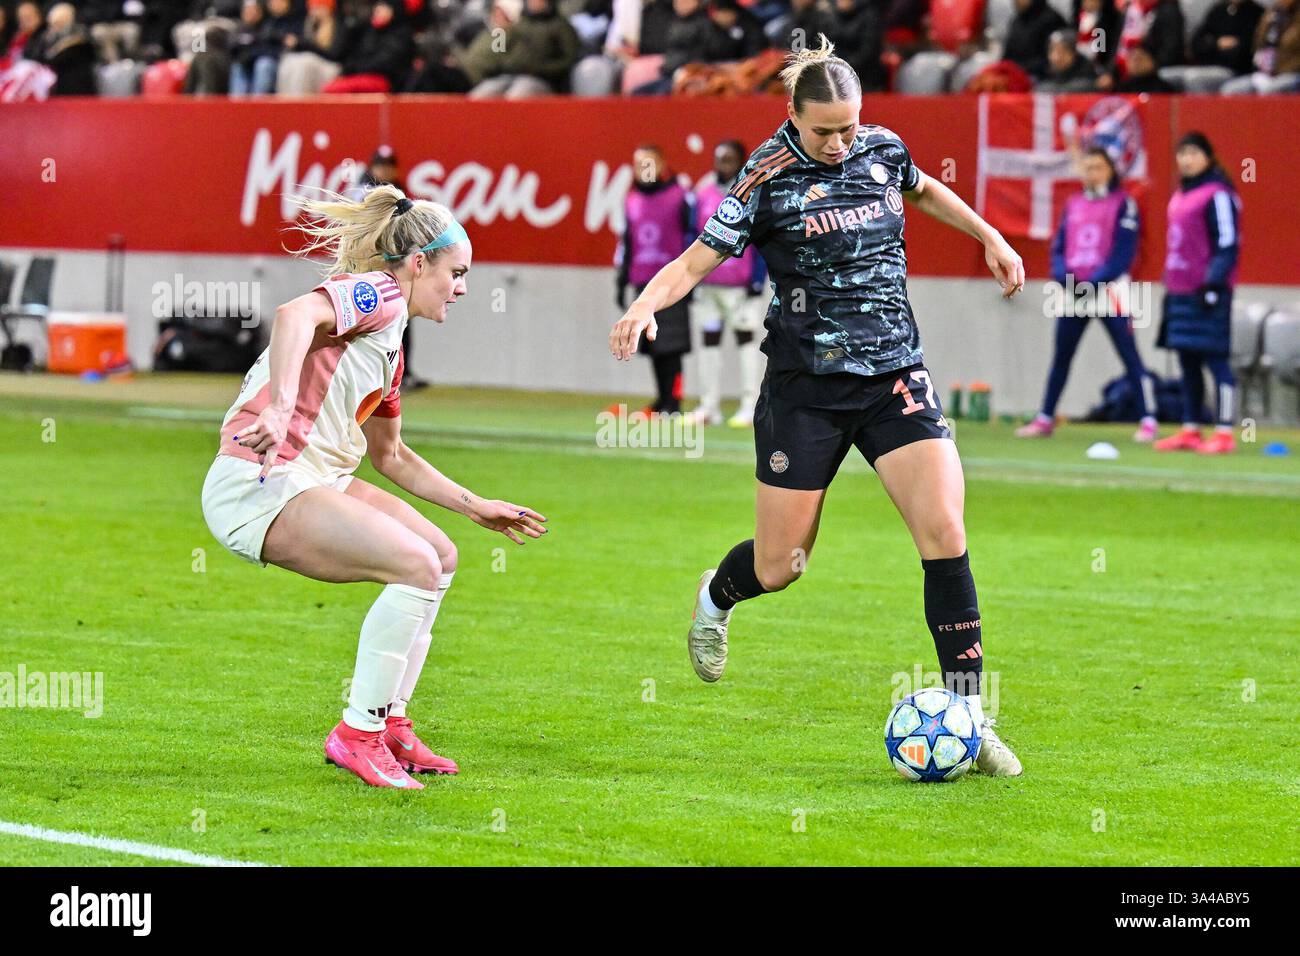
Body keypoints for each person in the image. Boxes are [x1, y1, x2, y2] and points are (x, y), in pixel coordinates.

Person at [609, 35, 1026, 776]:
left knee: (945, 532)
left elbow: (923, 189)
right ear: (793, 116)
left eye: (849, 127)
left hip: (895, 376)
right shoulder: (764, 176)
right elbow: (694, 259)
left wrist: (989, 234)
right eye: (824, 130)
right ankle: (716, 594)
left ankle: (969, 713)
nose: (840, 143)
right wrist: (644, 306)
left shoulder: (882, 149)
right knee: (782, 565)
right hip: (805, 390)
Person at [200, 186, 548, 789]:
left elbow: (392, 456)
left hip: (313, 477)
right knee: (414, 564)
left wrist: (476, 507)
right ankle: (356, 734)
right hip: (259, 482)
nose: (462, 287)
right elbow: (295, 314)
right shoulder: (382, 297)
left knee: (439, 556)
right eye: (456, 273)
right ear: (418, 264)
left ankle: (389, 724)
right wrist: (282, 405)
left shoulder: (389, 347)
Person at [1017, 147, 1156, 440]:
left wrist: (1096, 281)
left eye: (1098, 167)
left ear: (1110, 170)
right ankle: (1045, 417)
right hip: (1072, 290)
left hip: (1110, 290)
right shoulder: (1074, 203)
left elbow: (1124, 251)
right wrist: (1065, 277)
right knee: (1061, 357)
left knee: (1129, 355)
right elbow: (1059, 246)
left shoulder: (1124, 203)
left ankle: (1148, 419)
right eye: (1088, 167)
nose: (1092, 173)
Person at [1154, 132, 1242, 454]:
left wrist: (1213, 284)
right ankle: (1191, 429)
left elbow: (1228, 243)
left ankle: (1224, 432)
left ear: (1208, 156)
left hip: (1207, 291)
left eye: (1193, 152)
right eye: (1182, 153)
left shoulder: (1217, 195)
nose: (1186, 159)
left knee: (1216, 361)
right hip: (1179, 291)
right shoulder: (1179, 196)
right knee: (1186, 361)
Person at [689, 140, 768, 427]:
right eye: (719, 159)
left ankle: (750, 405)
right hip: (709, 286)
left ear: (740, 162)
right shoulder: (703, 193)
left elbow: (762, 239)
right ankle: (708, 406)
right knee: (709, 342)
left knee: (747, 343)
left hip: (741, 288)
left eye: (729, 159)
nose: (723, 165)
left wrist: (758, 279)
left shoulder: (751, 193)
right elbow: (692, 236)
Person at [614, 143, 695, 416]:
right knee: (652, 345)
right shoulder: (632, 199)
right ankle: (662, 400)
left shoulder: (679, 196)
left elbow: (693, 239)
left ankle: (673, 402)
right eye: (638, 165)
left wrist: (692, 282)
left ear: (660, 165)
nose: (643, 170)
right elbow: (628, 242)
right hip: (642, 280)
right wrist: (622, 279)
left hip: (671, 284)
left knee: (671, 346)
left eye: (648, 164)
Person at [345, 146, 431, 392]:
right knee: (369, 318)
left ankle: (400, 373)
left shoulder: (397, 191)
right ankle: (368, 374)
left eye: (388, 165)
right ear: (372, 166)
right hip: (368, 266)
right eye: (380, 165)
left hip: (393, 264)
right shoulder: (363, 191)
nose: (384, 170)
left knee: (401, 316)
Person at [1219, 0, 1300, 94]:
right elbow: (1259, 42)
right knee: (1231, 89)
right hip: (1265, 73)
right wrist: (1269, 24)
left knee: (1272, 90)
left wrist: (1281, 69)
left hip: (1292, 72)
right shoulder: (1273, 13)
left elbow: (1292, 48)